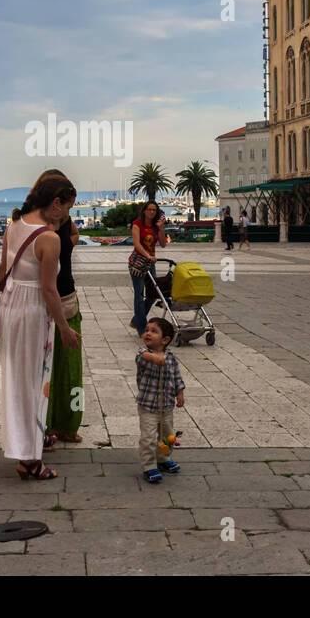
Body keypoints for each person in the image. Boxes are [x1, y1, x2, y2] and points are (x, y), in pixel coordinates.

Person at [0, 173, 81, 480]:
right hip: (32, 310)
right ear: (55, 203)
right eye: (68, 207)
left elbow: (2, 270)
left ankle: (25, 446)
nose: (69, 214)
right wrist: (64, 327)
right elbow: (49, 289)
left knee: (16, 381)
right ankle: (30, 459)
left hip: (9, 308)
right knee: (35, 383)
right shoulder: (48, 238)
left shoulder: (14, 225)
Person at [46, 212, 84, 446]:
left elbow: (75, 233)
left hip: (67, 300)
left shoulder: (61, 225)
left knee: (66, 370)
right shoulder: (41, 230)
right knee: (50, 371)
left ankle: (63, 426)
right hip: (49, 303)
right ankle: (48, 427)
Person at [136, 317, 185, 483]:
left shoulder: (171, 357)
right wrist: (154, 357)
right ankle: (149, 466)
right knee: (148, 438)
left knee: (168, 435)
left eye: (153, 331)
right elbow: (143, 357)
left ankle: (163, 459)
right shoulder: (143, 352)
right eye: (147, 330)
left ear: (165, 340)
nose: (148, 333)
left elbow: (176, 377)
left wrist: (180, 393)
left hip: (166, 407)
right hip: (148, 406)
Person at [128, 201, 168, 336]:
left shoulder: (156, 227)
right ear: (144, 211)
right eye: (149, 209)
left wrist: (161, 228)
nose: (152, 212)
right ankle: (142, 328)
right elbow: (137, 244)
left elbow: (163, 244)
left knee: (152, 294)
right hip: (138, 263)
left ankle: (136, 320)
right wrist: (148, 255)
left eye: (154, 210)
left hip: (150, 263)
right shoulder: (137, 224)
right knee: (139, 295)